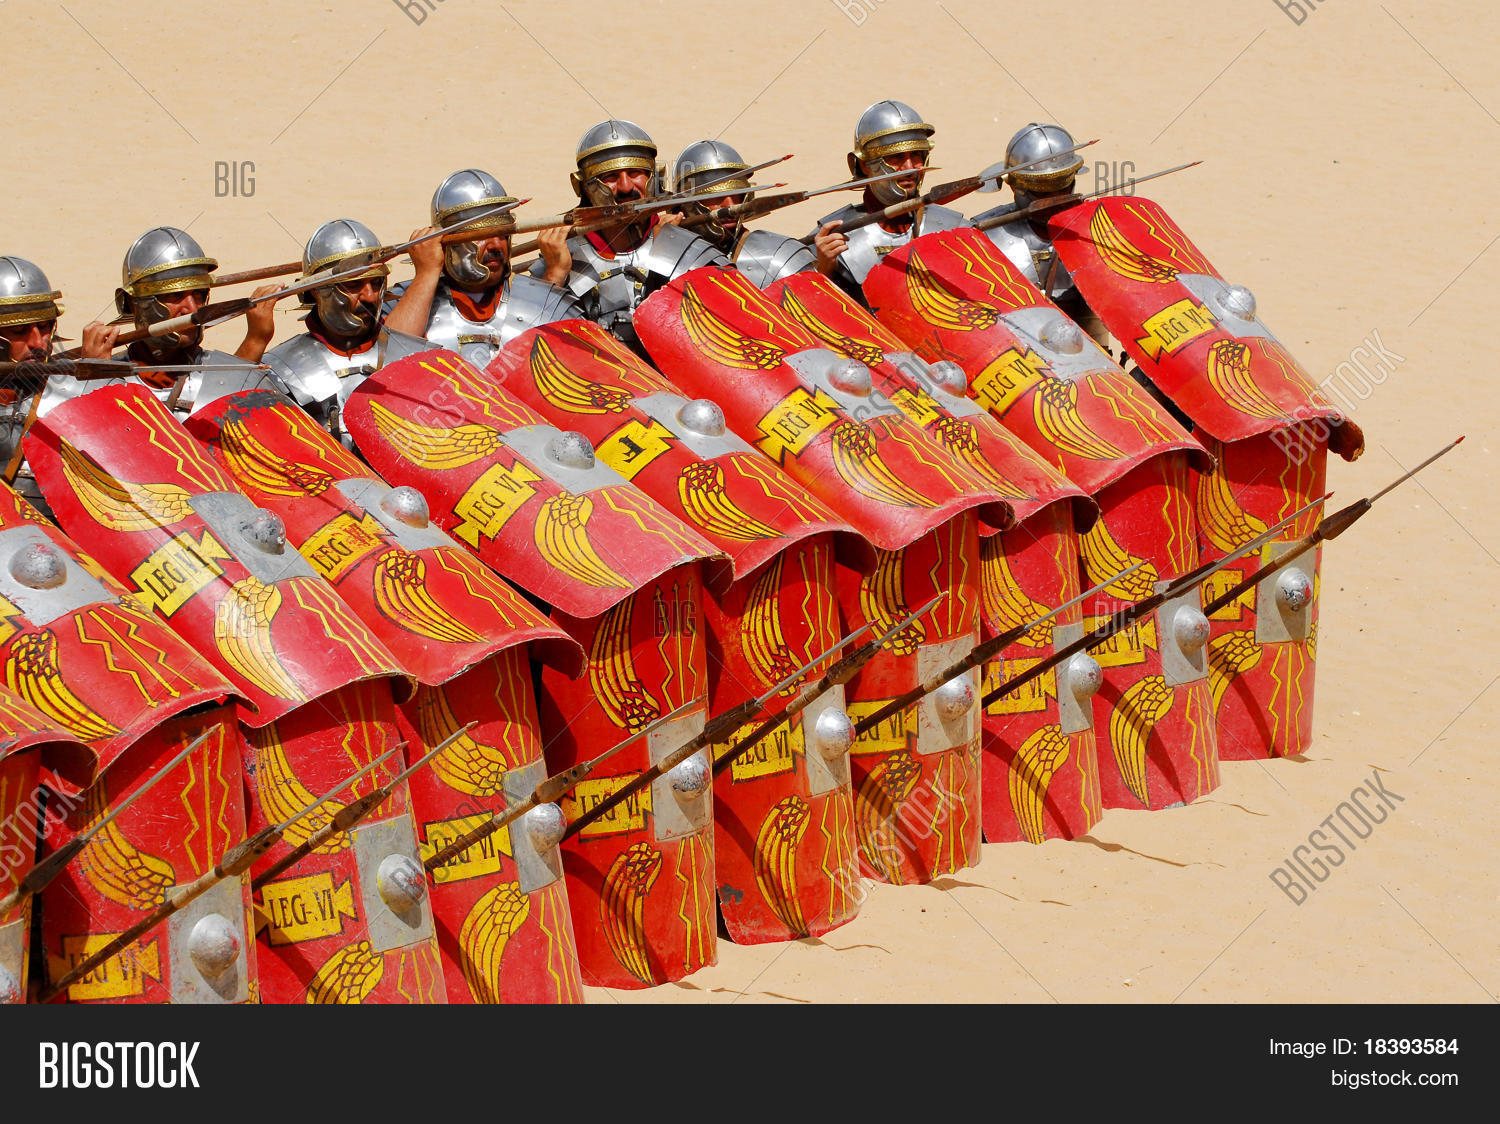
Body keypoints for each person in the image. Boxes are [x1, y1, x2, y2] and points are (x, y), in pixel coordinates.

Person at [533, 119, 728, 349]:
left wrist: (671, 249)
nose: (626, 187)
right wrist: (554, 277)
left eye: (635, 173)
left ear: (654, 177)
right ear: (582, 186)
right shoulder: (561, 257)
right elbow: (535, 350)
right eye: (610, 177)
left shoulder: (690, 251)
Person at [261, 219, 435, 448]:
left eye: (376, 283)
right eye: (354, 285)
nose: (370, 296)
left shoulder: (421, 358)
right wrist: (256, 339)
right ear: (317, 290)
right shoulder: (281, 369)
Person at [387, 168, 584, 368]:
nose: (496, 246)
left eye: (502, 235)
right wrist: (426, 273)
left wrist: (554, 275)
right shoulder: (405, 301)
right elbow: (389, 361)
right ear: (445, 242)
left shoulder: (541, 297)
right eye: (480, 236)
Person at [83, 227, 280, 415]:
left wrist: (256, 339)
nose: (192, 309)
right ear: (133, 303)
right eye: (176, 296)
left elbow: (227, 416)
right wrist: (95, 382)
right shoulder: (108, 374)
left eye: (199, 294)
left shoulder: (217, 372)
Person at [808, 100, 967, 302]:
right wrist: (824, 271)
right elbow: (811, 315)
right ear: (864, 165)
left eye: (916, 155)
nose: (909, 167)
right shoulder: (832, 237)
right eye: (896, 157)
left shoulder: (956, 230)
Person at [970, 122, 1107, 346]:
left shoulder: (1099, 229)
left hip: (1096, 358)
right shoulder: (985, 237)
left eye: (1061, 187)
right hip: (1017, 362)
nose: (1055, 199)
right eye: (1044, 190)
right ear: (1016, 186)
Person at [669, 139, 817, 290]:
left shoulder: (778, 258)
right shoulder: (665, 256)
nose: (731, 206)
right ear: (685, 203)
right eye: (716, 196)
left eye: (738, 196)